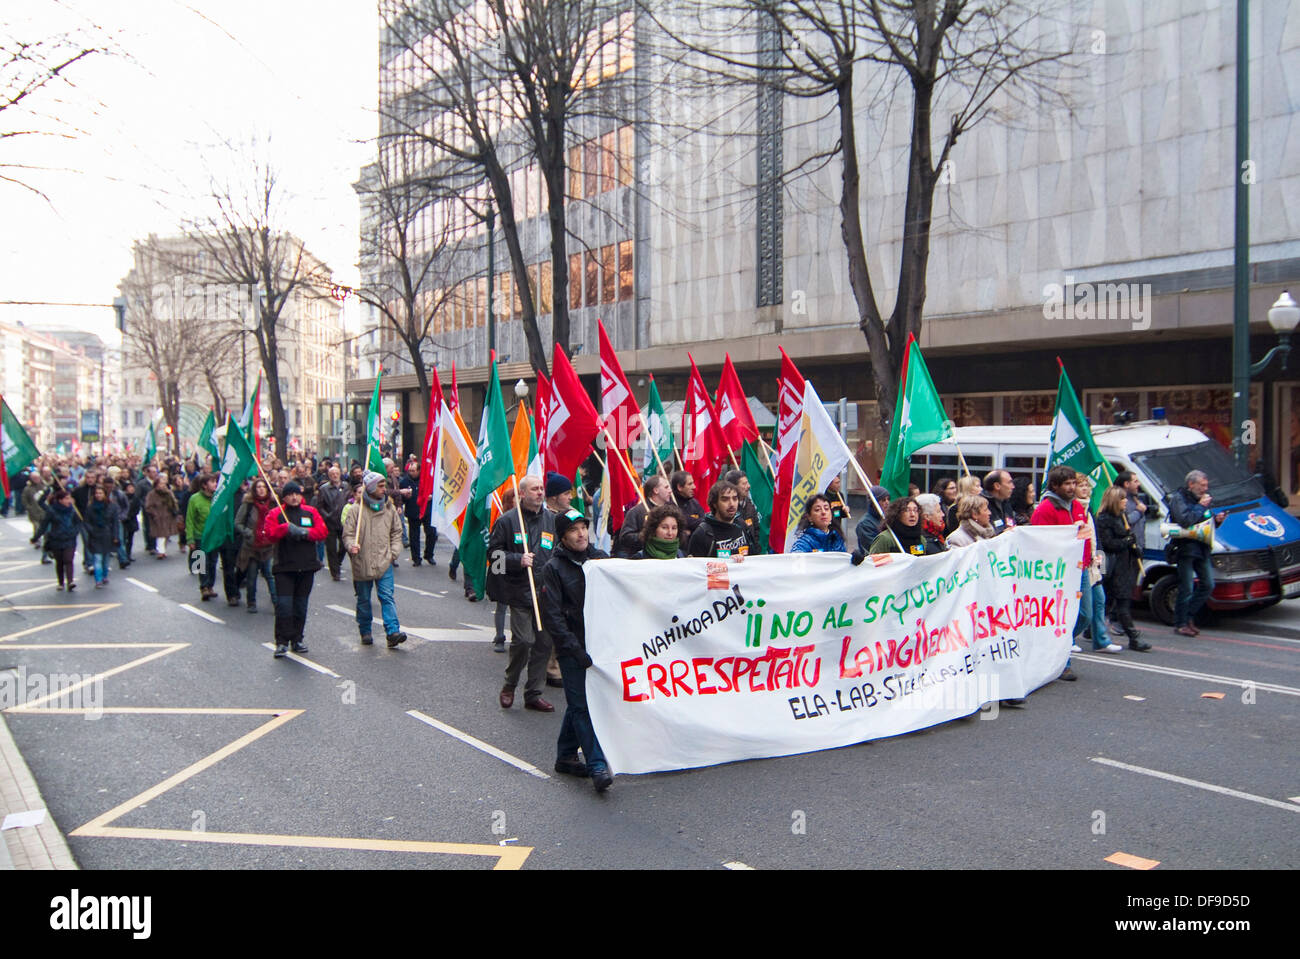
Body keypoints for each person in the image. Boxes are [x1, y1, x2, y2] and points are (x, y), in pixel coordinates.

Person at [540, 507, 613, 793]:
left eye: (583, 527)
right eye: (573, 530)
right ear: (563, 537)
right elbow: (554, 617)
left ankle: (566, 755)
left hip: (600, 644)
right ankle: (596, 764)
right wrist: (572, 649)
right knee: (583, 706)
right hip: (573, 648)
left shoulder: (601, 560)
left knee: (577, 702)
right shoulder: (553, 569)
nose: (581, 533)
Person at [489, 474, 557, 712]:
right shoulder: (507, 521)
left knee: (544, 644)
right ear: (522, 494)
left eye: (541, 489)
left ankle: (534, 693)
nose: (540, 492)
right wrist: (518, 559)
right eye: (534, 489)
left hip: (546, 592)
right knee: (524, 641)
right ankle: (509, 684)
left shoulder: (552, 520)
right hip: (520, 592)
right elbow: (494, 558)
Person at [263, 480, 328, 658]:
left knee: (300, 606)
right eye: (290, 494)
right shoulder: (276, 513)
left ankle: (297, 639)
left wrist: (305, 533)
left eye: (296, 494)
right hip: (284, 567)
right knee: (284, 606)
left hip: (306, 566)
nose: (294, 497)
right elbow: (269, 534)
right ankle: (282, 641)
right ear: (284, 497)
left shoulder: (310, 512)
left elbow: (322, 532)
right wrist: (285, 529)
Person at [343, 470, 407, 648]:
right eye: (379, 486)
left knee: (387, 596)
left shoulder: (389, 509)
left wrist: (393, 553)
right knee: (364, 599)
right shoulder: (356, 510)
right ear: (370, 488)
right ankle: (365, 630)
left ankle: (392, 631)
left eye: (384, 485)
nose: (383, 489)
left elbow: (396, 531)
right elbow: (347, 535)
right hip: (362, 562)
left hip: (384, 561)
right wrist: (351, 546)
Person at [1167, 469, 1225, 637]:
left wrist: (1216, 520)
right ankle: (1181, 623)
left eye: (1206, 486)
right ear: (1191, 484)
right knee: (1186, 587)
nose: (1204, 489)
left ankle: (1188, 616)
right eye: (1201, 485)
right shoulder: (1179, 499)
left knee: (1208, 584)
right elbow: (1185, 521)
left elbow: (1205, 522)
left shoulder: (1203, 500)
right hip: (1186, 549)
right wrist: (1201, 506)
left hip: (1202, 547)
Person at [1097, 486, 1150, 651]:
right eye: (1122, 499)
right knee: (1119, 601)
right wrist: (1126, 541)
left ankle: (1092, 631)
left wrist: (1134, 547)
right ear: (1114, 501)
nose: (1126, 501)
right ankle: (1134, 638)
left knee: (1114, 601)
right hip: (1112, 566)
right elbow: (1108, 544)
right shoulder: (1104, 519)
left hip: (1124, 565)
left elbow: (1127, 541)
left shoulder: (1122, 516)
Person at [1073, 475, 1120, 654]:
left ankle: (1101, 639)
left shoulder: (1089, 508)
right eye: (1081, 486)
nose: (1085, 489)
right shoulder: (1075, 508)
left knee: (1100, 599)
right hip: (1081, 563)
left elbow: (1095, 537)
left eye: (1087, 486)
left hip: (1093, 561)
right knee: (1084, 609)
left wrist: (1100, 557)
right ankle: (1069, 638)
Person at [235, 478, 279, 613]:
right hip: (252, 546)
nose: (261, 489)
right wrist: (248, 533)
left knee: (270, 575)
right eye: (258, 487)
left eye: (263, 487)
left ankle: (277, 602)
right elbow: (238, 523)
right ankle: (251, 602)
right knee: (252, 575)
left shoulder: (272, 504)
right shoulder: (248, 505)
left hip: (268, 546)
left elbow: (278, 521)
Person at [615, 473, 673, 558]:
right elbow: (625, 537)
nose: (670, 490)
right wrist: (647, 536)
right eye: (666, 487)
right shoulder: (637, 512)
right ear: (656, 490)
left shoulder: (672, 510)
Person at [687, 481, 751, 558]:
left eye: (735, 499)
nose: (731, 504)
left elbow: (754, 557)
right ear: (714, 504)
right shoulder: (703, 533)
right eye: (725, 499)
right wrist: (728, 562)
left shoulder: (741, 525)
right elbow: (695, 567)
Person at [34, 488, 81, 591]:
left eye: (69, 498)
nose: (69, 500)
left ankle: (70, 581)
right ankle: (60, 582)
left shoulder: (72, 510)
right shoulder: (52, 510)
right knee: (59, 562)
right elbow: (44, 525)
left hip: (69, 538)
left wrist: (74, 532)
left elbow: (78, 523)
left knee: (68, 560)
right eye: (66, 498)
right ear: (60, 500)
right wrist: (36, 537)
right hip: (56, 539)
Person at [865, 497, 945, 556]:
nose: (912, 515)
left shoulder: (921, 540)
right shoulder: (885, 539)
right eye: (907, 510)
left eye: (915, 510)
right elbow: (873, 564)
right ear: (897, 514)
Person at [399, 460, 437, 567]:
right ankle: (416, 558)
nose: (411, 473)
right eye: (410, 470)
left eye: (413, 470)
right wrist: (404, 498)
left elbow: (436, 492)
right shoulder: (404, 482)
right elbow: (400, 497)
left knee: (431, 533)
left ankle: (429, 555)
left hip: (426, 511)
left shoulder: (427, 480)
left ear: (419, 471)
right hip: (413, 511)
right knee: (414, 536)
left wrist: (431, 497)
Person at [313, 466, 348, 581]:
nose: (334, 475)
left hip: (344, 522)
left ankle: (337, 562)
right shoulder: (324, 489)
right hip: (330, 522)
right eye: (332, 473)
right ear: (329, 475)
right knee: (331, 548)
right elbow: (320, 506)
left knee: (344, 546)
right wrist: (327, 516)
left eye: (336, 473)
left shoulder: (346, 487)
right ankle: (335, 572)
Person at [85, 484, 120, 589]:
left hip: (107, 534)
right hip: (95, 535)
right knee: (97, 558)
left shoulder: (112, 506)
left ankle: (104, 576)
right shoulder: (90, 508)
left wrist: (116, 536)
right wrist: (91, 531)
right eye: (96, 493)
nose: (98, 495)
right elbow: (86, 522)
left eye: (100, 493)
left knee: (105, 559)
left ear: (105, 494)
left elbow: (115, 523)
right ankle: (98, 580)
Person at [724, 469, 764, 555]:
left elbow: (756, 530)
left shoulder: (749, 504)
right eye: (744, 484)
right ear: (733, 486)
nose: (748, 486)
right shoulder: (725, 509)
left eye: (748, 483)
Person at [144, 476, 179, 559]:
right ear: (156, 484)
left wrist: (175, 509)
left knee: (166, 534)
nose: (162, 485)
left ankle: (163, 550)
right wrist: (154, 514)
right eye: (160, 484)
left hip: (168, 516)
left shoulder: (168, 492)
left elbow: (174, 502)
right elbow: (148, 506)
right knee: (161, 535)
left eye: (163, 484)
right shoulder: (152, 494)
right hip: (158, 517)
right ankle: (161, 551)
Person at [670, 470, 706, 536]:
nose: (694, 487)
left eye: (693, 483)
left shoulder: (694, 502)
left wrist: (690, 531)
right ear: (679, 487)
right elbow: (682, 521)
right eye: (690, 484)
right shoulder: (670, 504)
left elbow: (704, 522)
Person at [981, 469, 1017, 535]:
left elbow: (1011, 524)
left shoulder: (1006, 503)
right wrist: (1003, 534)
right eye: (1009, 482)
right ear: (997, 486)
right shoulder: (981, 504)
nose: (1013, 487)